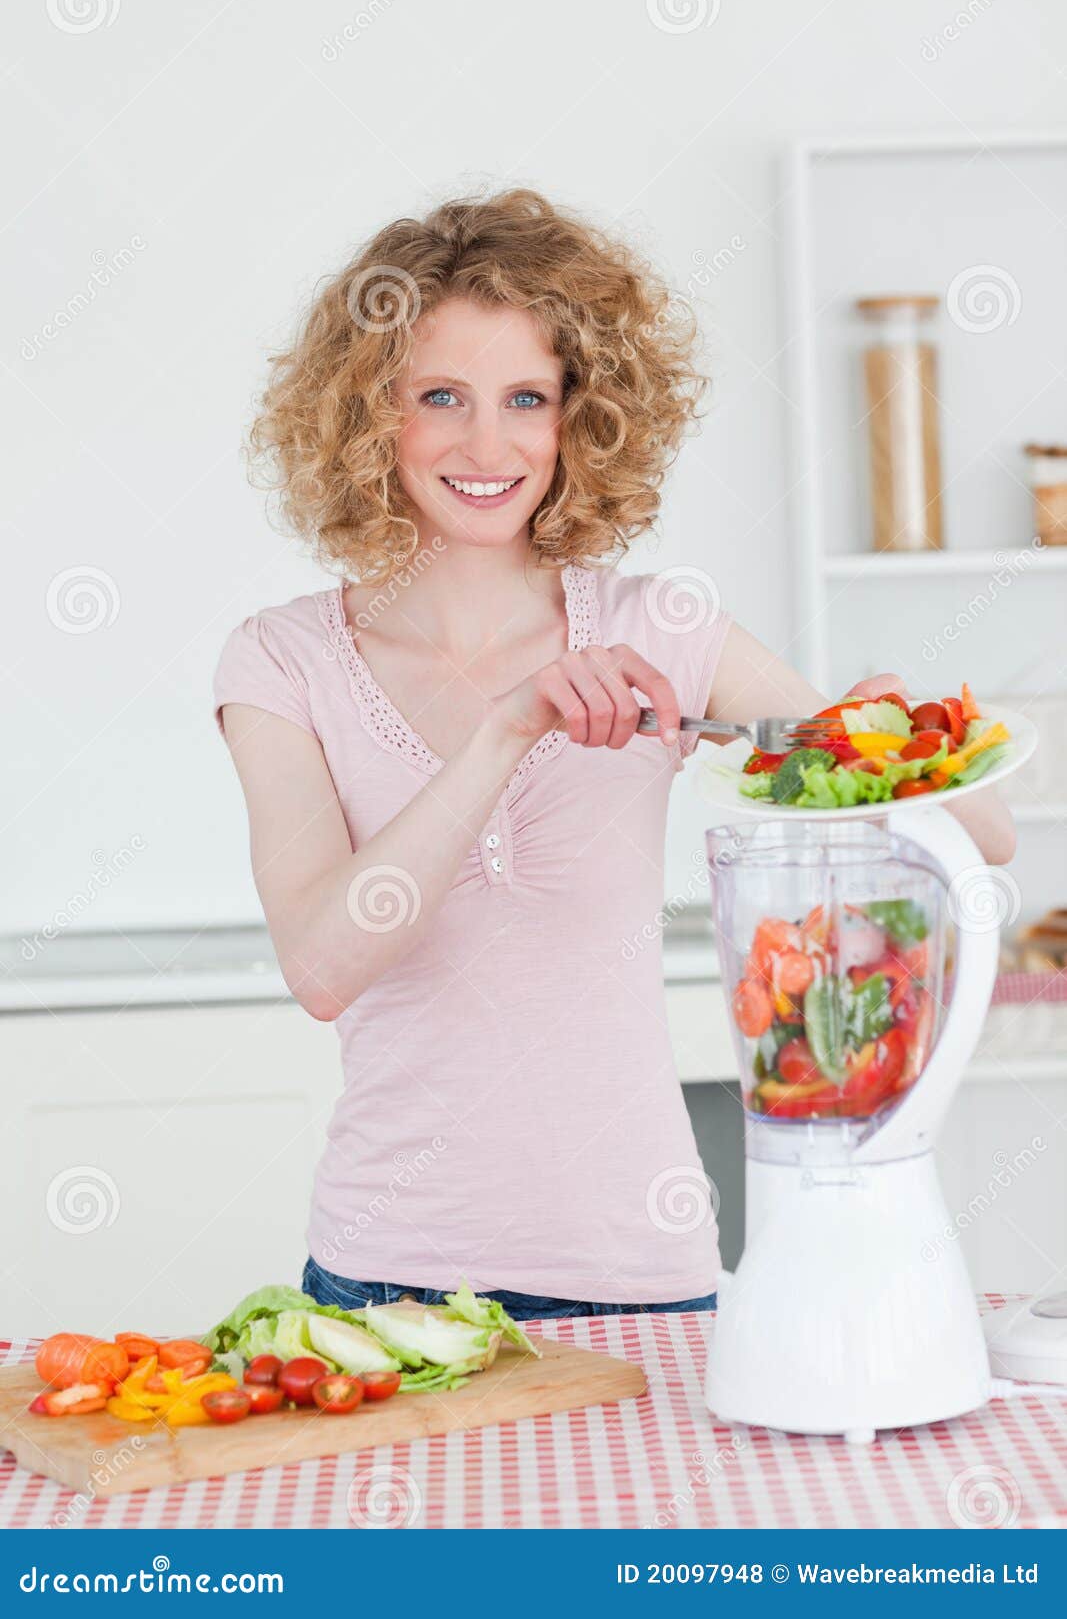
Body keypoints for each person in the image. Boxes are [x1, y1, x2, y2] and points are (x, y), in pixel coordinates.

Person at [213, 189, 1014, 1321]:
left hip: (640, 1277)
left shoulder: (664, 628)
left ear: (577, 421)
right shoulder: (280, 661)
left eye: (525, 400)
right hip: (381, 1281)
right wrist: (505, 731)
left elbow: (980, 833)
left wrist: (901, 743)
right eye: (440, 396)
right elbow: (322, 966)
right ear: (368, 415)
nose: (485, 444)